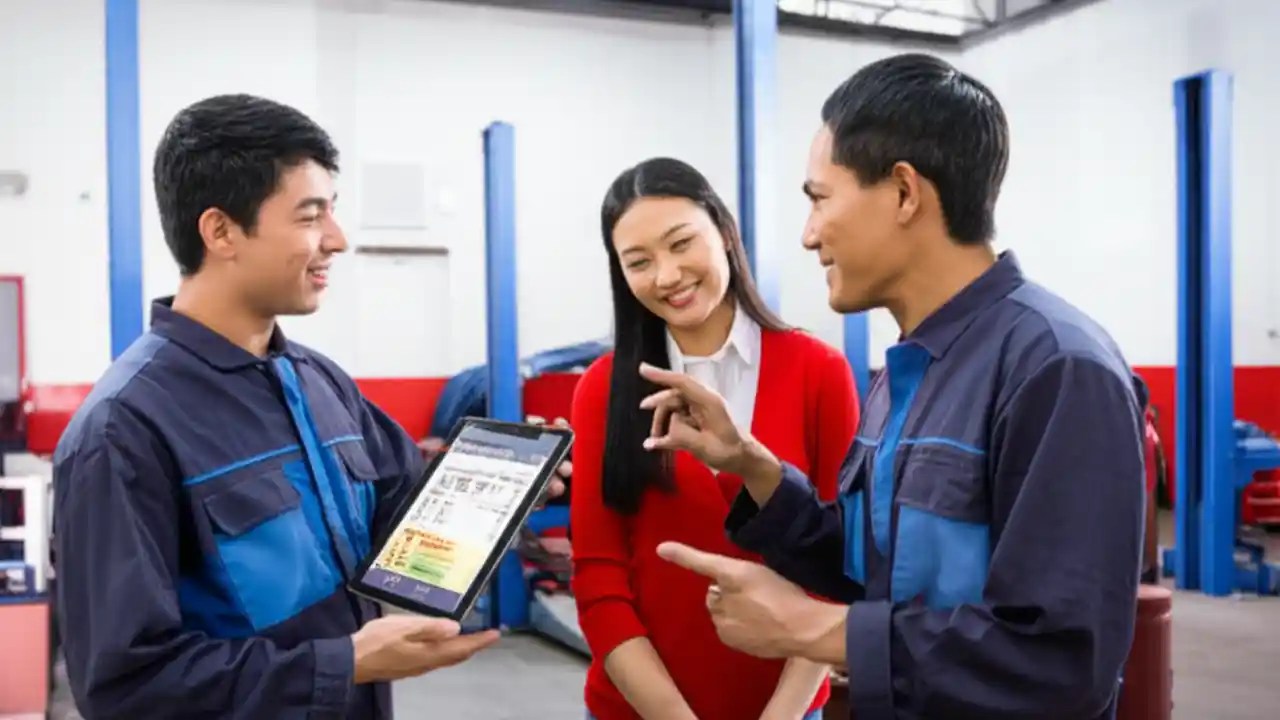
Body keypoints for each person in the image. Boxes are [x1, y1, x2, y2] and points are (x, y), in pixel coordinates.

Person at [640, 53, 1147, 720]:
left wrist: (815, 630)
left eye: (820, 199)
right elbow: (875, 571)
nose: (808, 235)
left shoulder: (1057, 370)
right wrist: (752, 466)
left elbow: (1060, 663)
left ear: (905, 193)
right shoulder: (912, 368)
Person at [51, 94, 563, 719]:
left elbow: (404, 519)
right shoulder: (124, 430)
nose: (337, 240)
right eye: (310, 216)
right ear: (220, 231)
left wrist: (506, 493)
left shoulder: (321, 382)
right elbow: (126, 689)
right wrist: (345, 663)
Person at [569, 157, 860, 720]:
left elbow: (839, 565)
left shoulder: (818, 372)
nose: (667, 275)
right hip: (636, 708)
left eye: (681, 243)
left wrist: (783, 715)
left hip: (787, 707)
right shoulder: (603, 389)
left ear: (724, 232)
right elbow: (598, 577)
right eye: (639, 262)